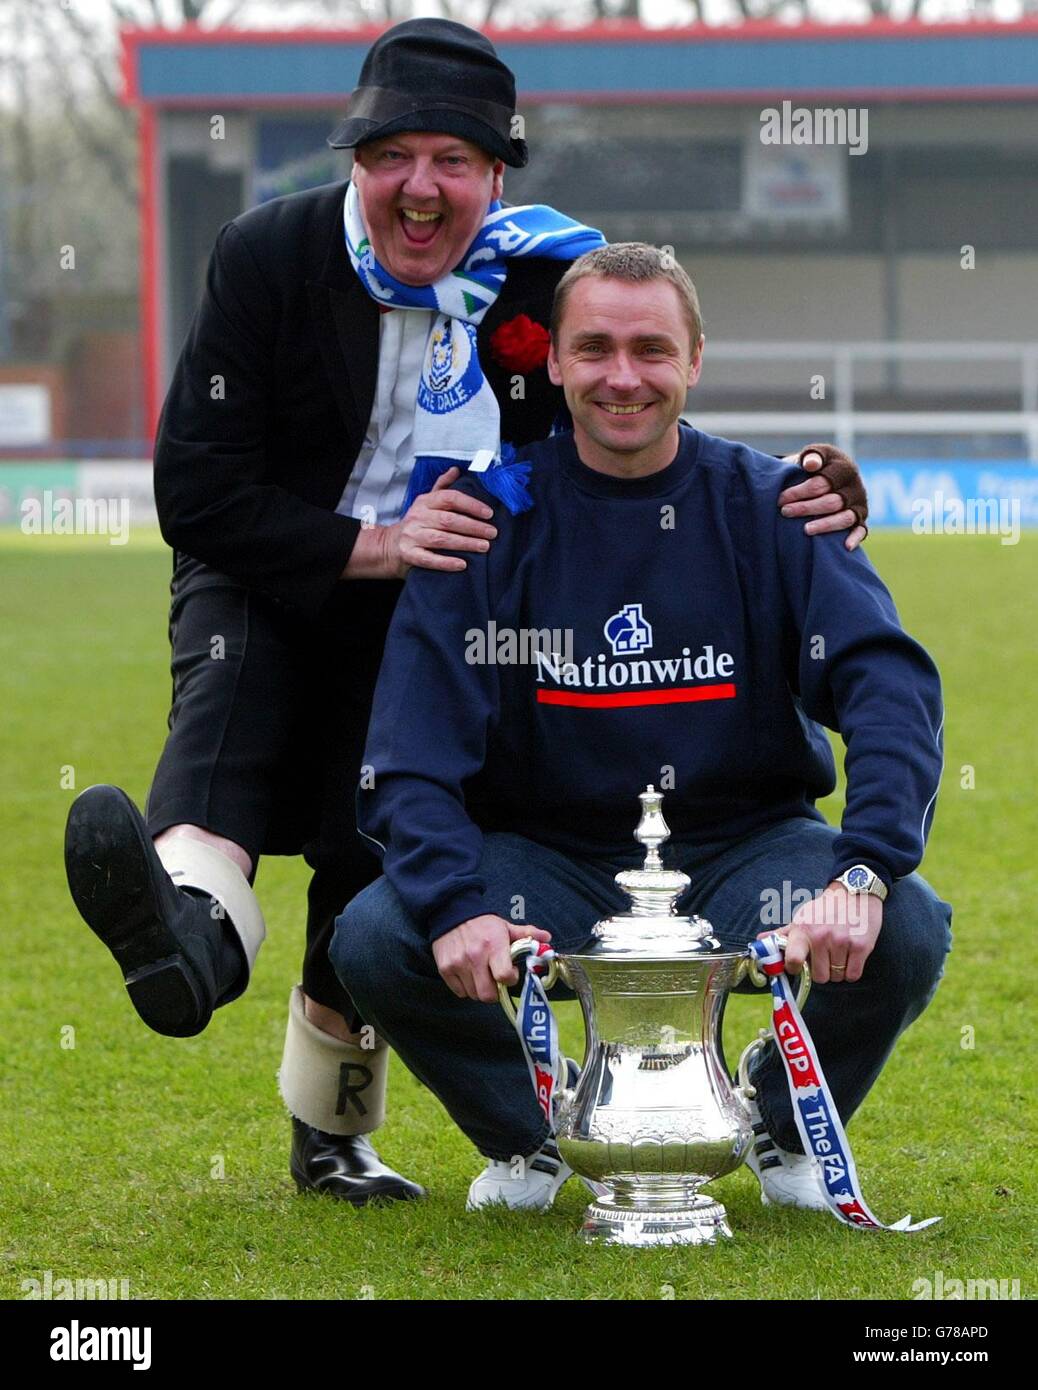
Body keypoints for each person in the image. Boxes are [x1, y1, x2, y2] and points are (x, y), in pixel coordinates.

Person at [63, 21, 868, 1206]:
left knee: (374, 833)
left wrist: (804, 475)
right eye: (393, 154)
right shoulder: (267, 254)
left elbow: (639, 398)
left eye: (454, 158)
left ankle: (329, 1136)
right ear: (353, 162)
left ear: (499, 176)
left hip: (450, 585)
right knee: (226, 734)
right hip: (273, 565)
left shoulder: (549, 277)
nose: (421, 185)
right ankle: (185, 943)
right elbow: (195, 489)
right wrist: (372, 544)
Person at [331, 242, 952, 1213]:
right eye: (596, 349)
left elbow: (888, 684)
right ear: (554, 364)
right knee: (377, 935)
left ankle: (781, 1124)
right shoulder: (489, 519)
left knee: (908, 927)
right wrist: (456, 903)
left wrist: (864, 872)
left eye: (652, 350)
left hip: (744, 851)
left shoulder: (775, 506)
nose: (624, 376)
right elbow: (410, 751)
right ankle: (536, 1136)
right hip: (549, 858)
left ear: (695, 360)